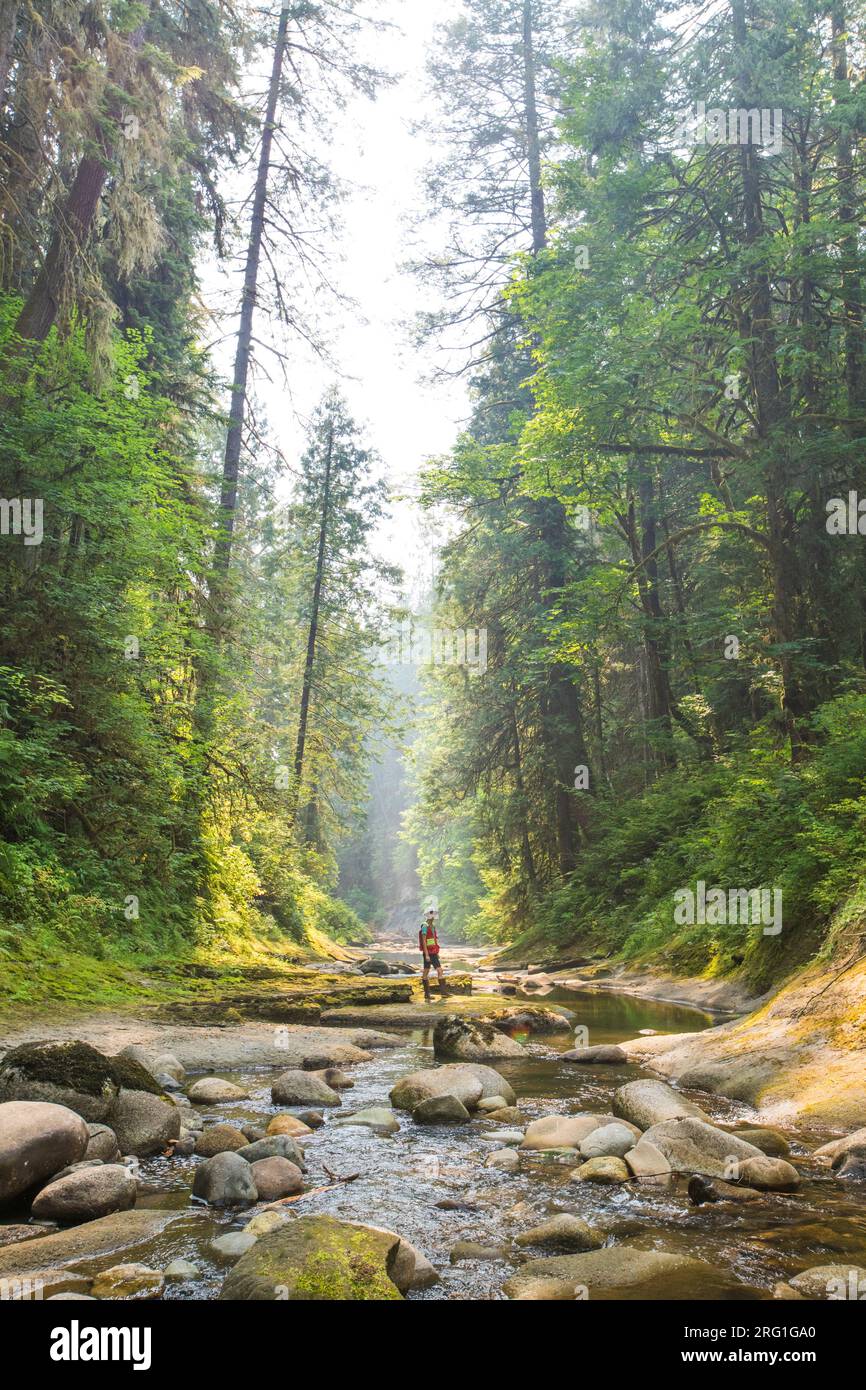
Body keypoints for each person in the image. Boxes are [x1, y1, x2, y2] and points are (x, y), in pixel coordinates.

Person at [419, 908, 445, 993]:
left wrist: (436, 952)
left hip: (433, 952)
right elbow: (424, 941)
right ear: (427, 915)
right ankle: (427, 994)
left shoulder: (432, 927)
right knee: (426, 971)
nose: (432, 916)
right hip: (428, 952)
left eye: (433, 914)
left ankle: (443, 993)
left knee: (440, 970)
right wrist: (426, 955)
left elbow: (434, 940)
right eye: (431, 914)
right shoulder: (424, 926)